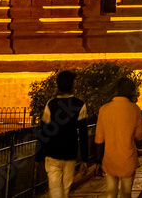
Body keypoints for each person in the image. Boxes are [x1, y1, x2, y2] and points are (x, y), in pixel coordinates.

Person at [95, 78, 142, 198]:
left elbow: (99, 138)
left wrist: (98, 161)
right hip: (127, 158)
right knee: (126, 193)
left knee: (111, 193)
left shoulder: (104, 109)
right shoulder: (134, 109)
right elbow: (139, 136)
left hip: (110, 159)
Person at [41, 70, 90, 198]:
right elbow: (83, 134)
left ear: (57, 85)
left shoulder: (50, 104)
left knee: (55, 189)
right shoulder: (80, 105)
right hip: (70, 153)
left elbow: (44, 130)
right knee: (66, 189)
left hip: (52, 153)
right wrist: (84, 159)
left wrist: (40, 154)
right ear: (72, 85)